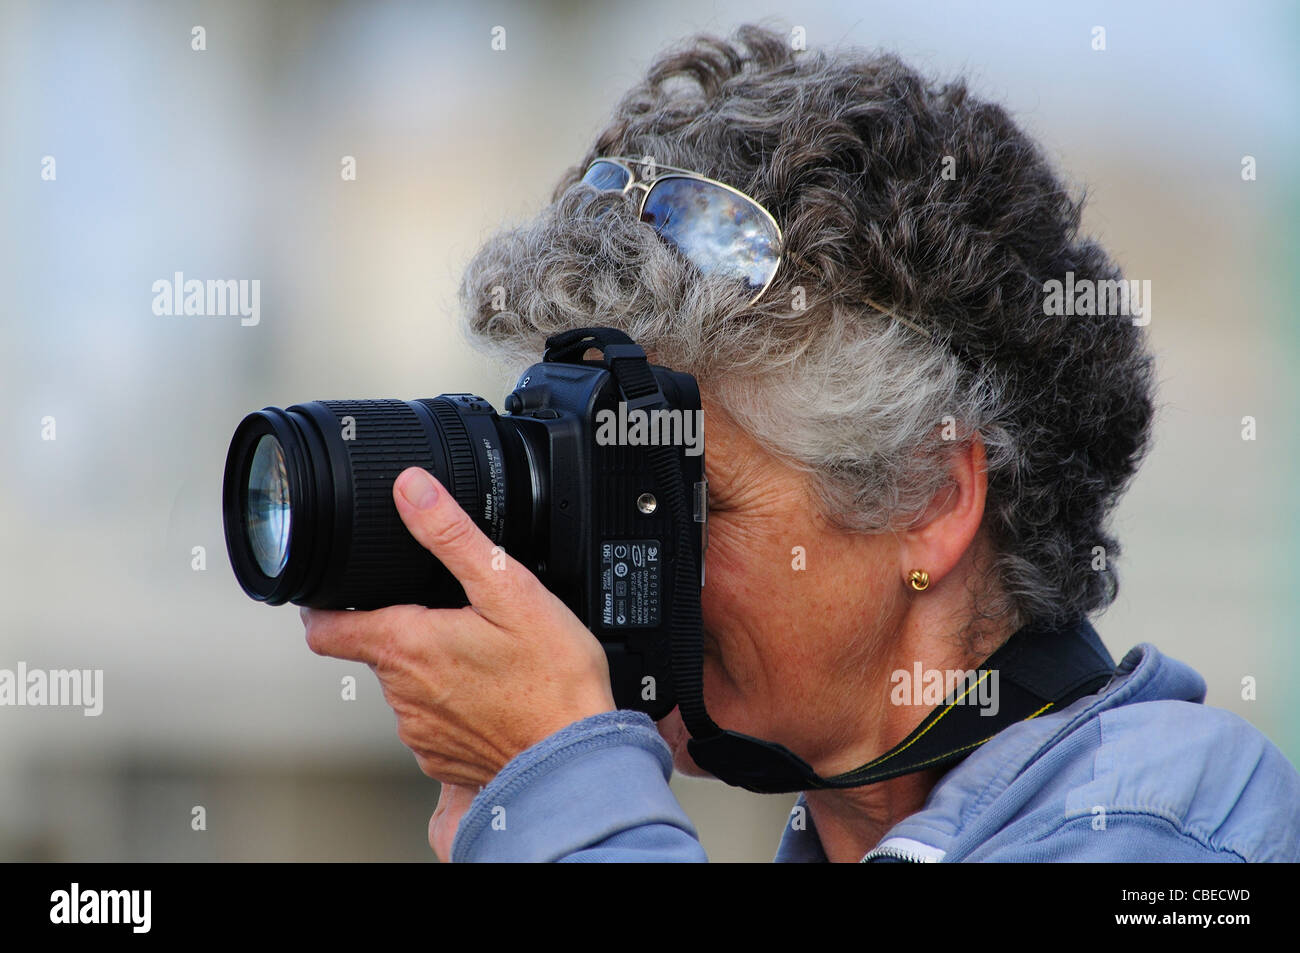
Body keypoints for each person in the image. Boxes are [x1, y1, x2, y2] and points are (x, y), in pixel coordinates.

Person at [301, 24, 1300, 862]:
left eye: (678, 497)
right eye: (602, 478)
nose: (614, 555)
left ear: (930, 501)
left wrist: (564, 793)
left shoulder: (1170, 827)